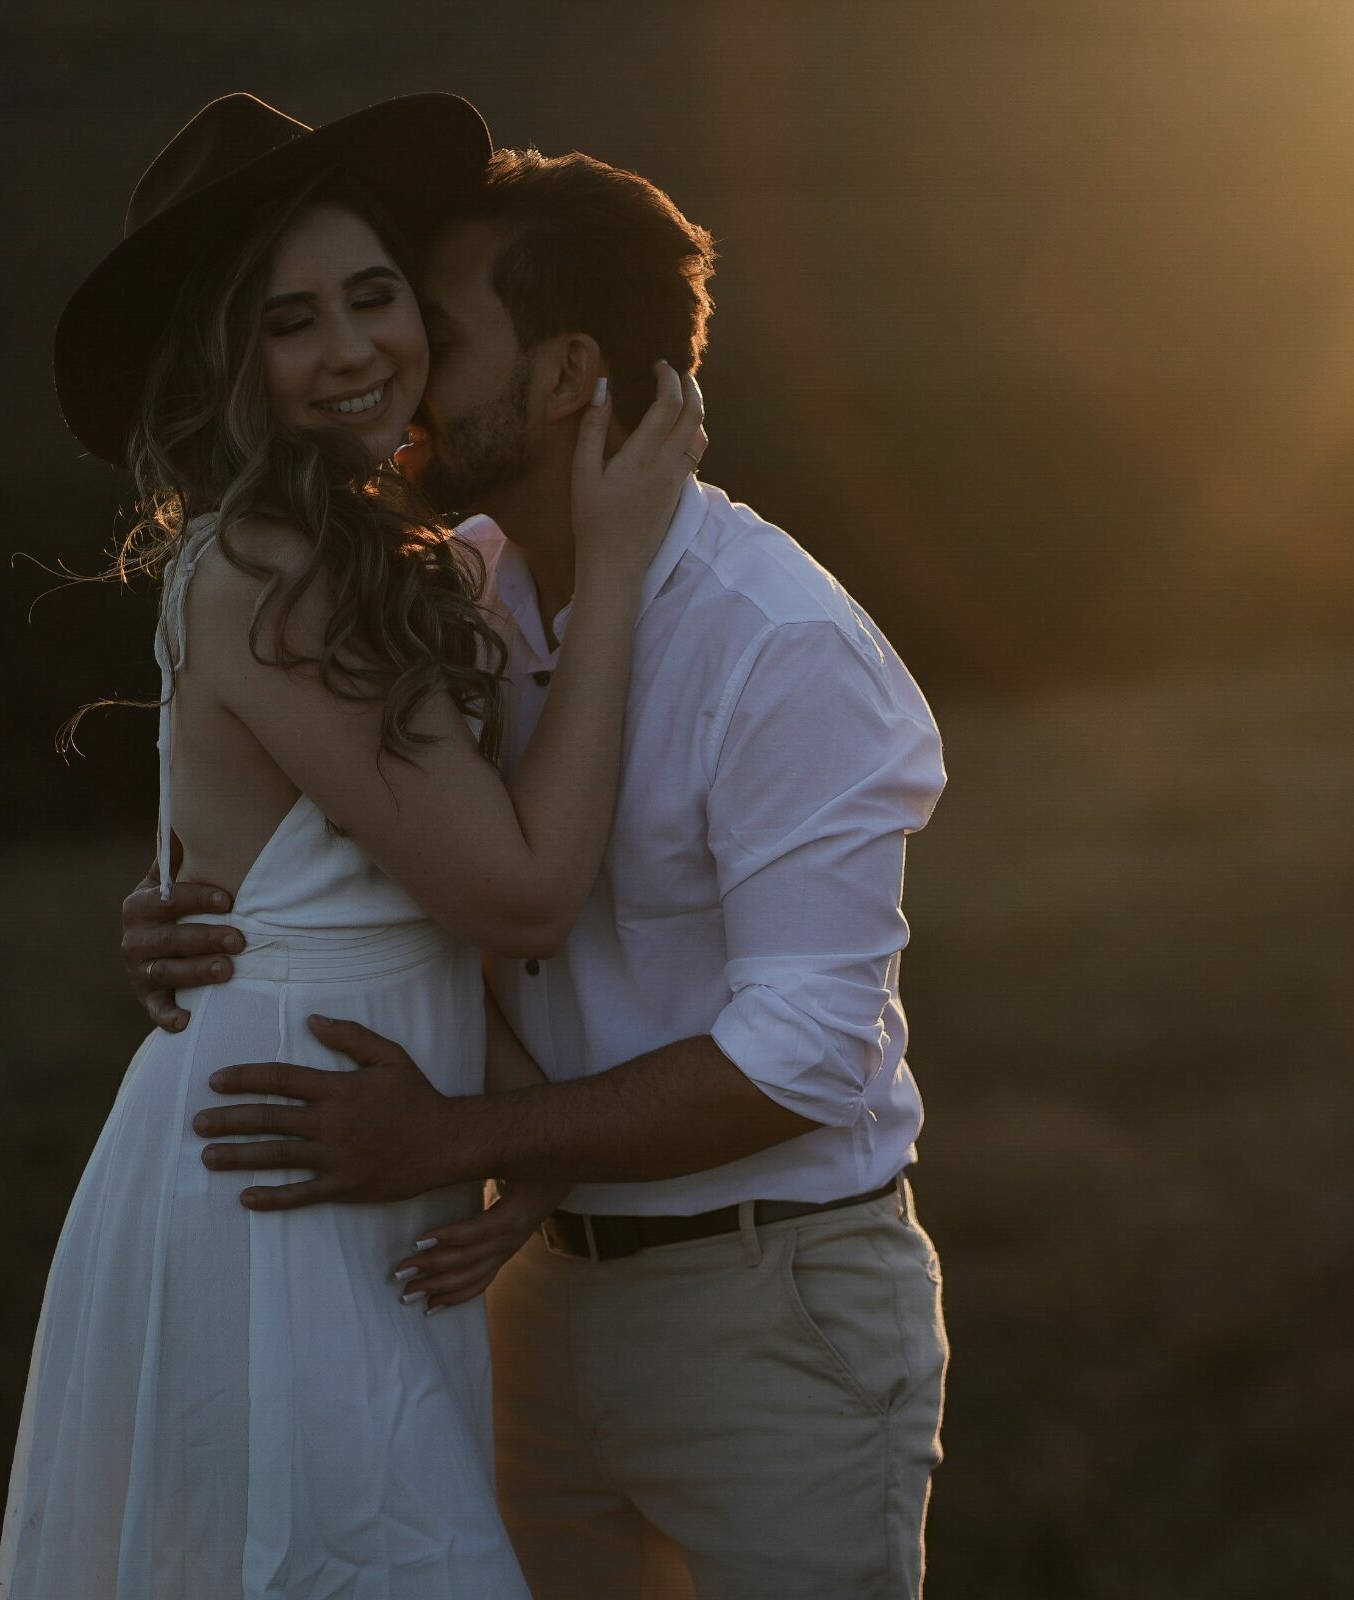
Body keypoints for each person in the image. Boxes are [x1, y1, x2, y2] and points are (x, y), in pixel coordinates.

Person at [124, 145, 951, 1598]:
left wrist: (452, 1140)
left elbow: (804, 1053)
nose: (396, 368)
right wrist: (227, 915)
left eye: (435, 334)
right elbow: (398, 863)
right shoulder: (470, 589)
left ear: (566, 372)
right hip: (509, 1290)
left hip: (764, 1309)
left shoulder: (782, 646)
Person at [3, 92, 704, 1598]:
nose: (353, 350)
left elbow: (366, 907)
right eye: (289, 321)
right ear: (225, 362)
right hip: (285, 1175)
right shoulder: (274, 563)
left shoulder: (358, 548)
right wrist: (624, 575)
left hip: (352, 1144)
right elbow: (515, 895)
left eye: (376, 298)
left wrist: (516, 1134)